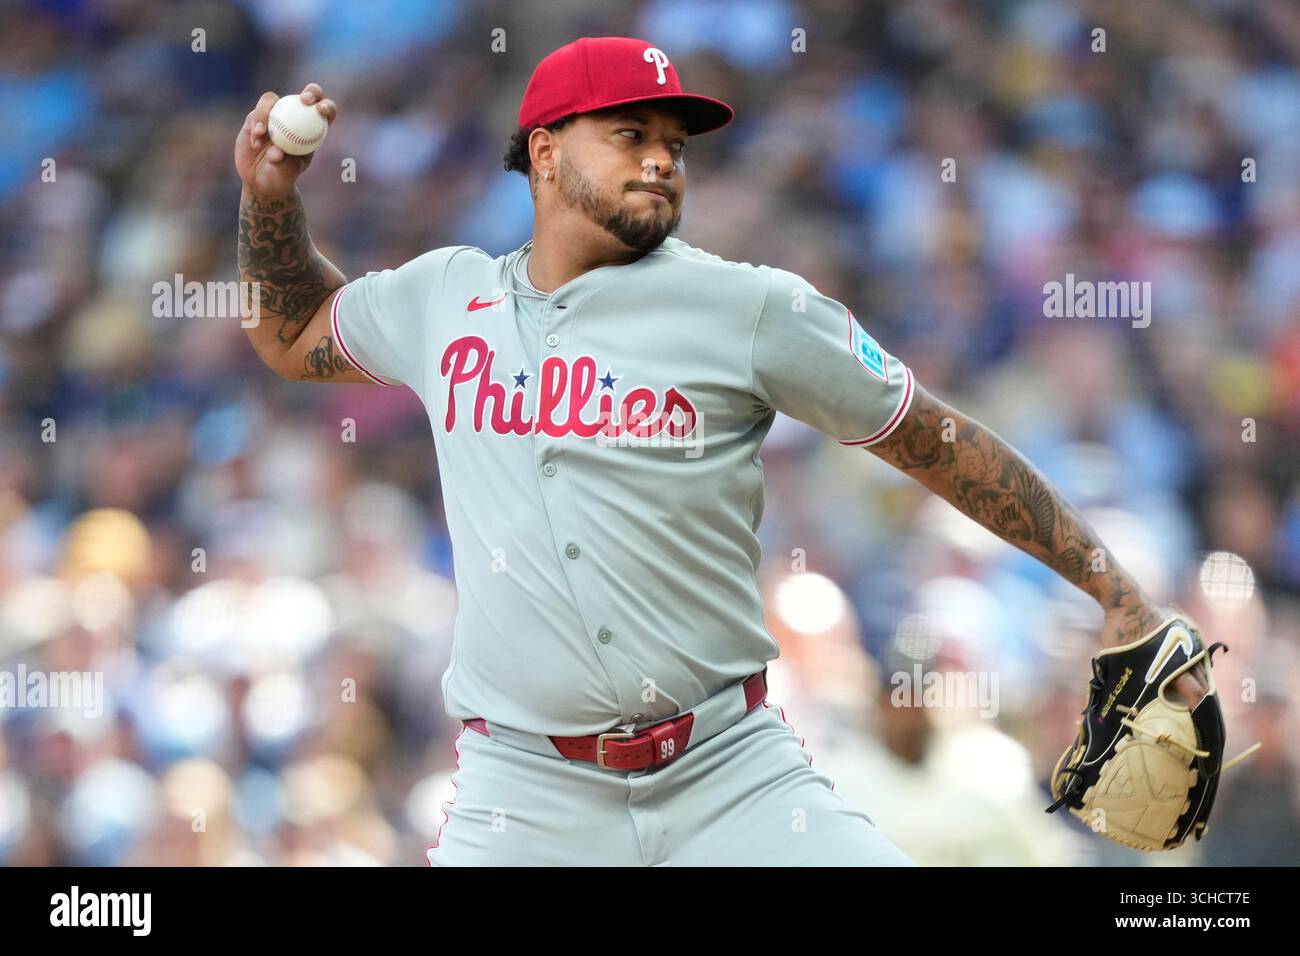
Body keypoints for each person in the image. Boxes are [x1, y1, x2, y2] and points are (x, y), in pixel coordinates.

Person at [234, 36, 1205, 866]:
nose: (662, 160)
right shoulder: (443, 296)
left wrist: (1111, 587)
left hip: (727, 770)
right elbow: (291, 331)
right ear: (541, 152)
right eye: (630, 136)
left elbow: (936, 440)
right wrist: (268, 199)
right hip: (521, 790)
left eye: (673, 143)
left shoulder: (750, 307)